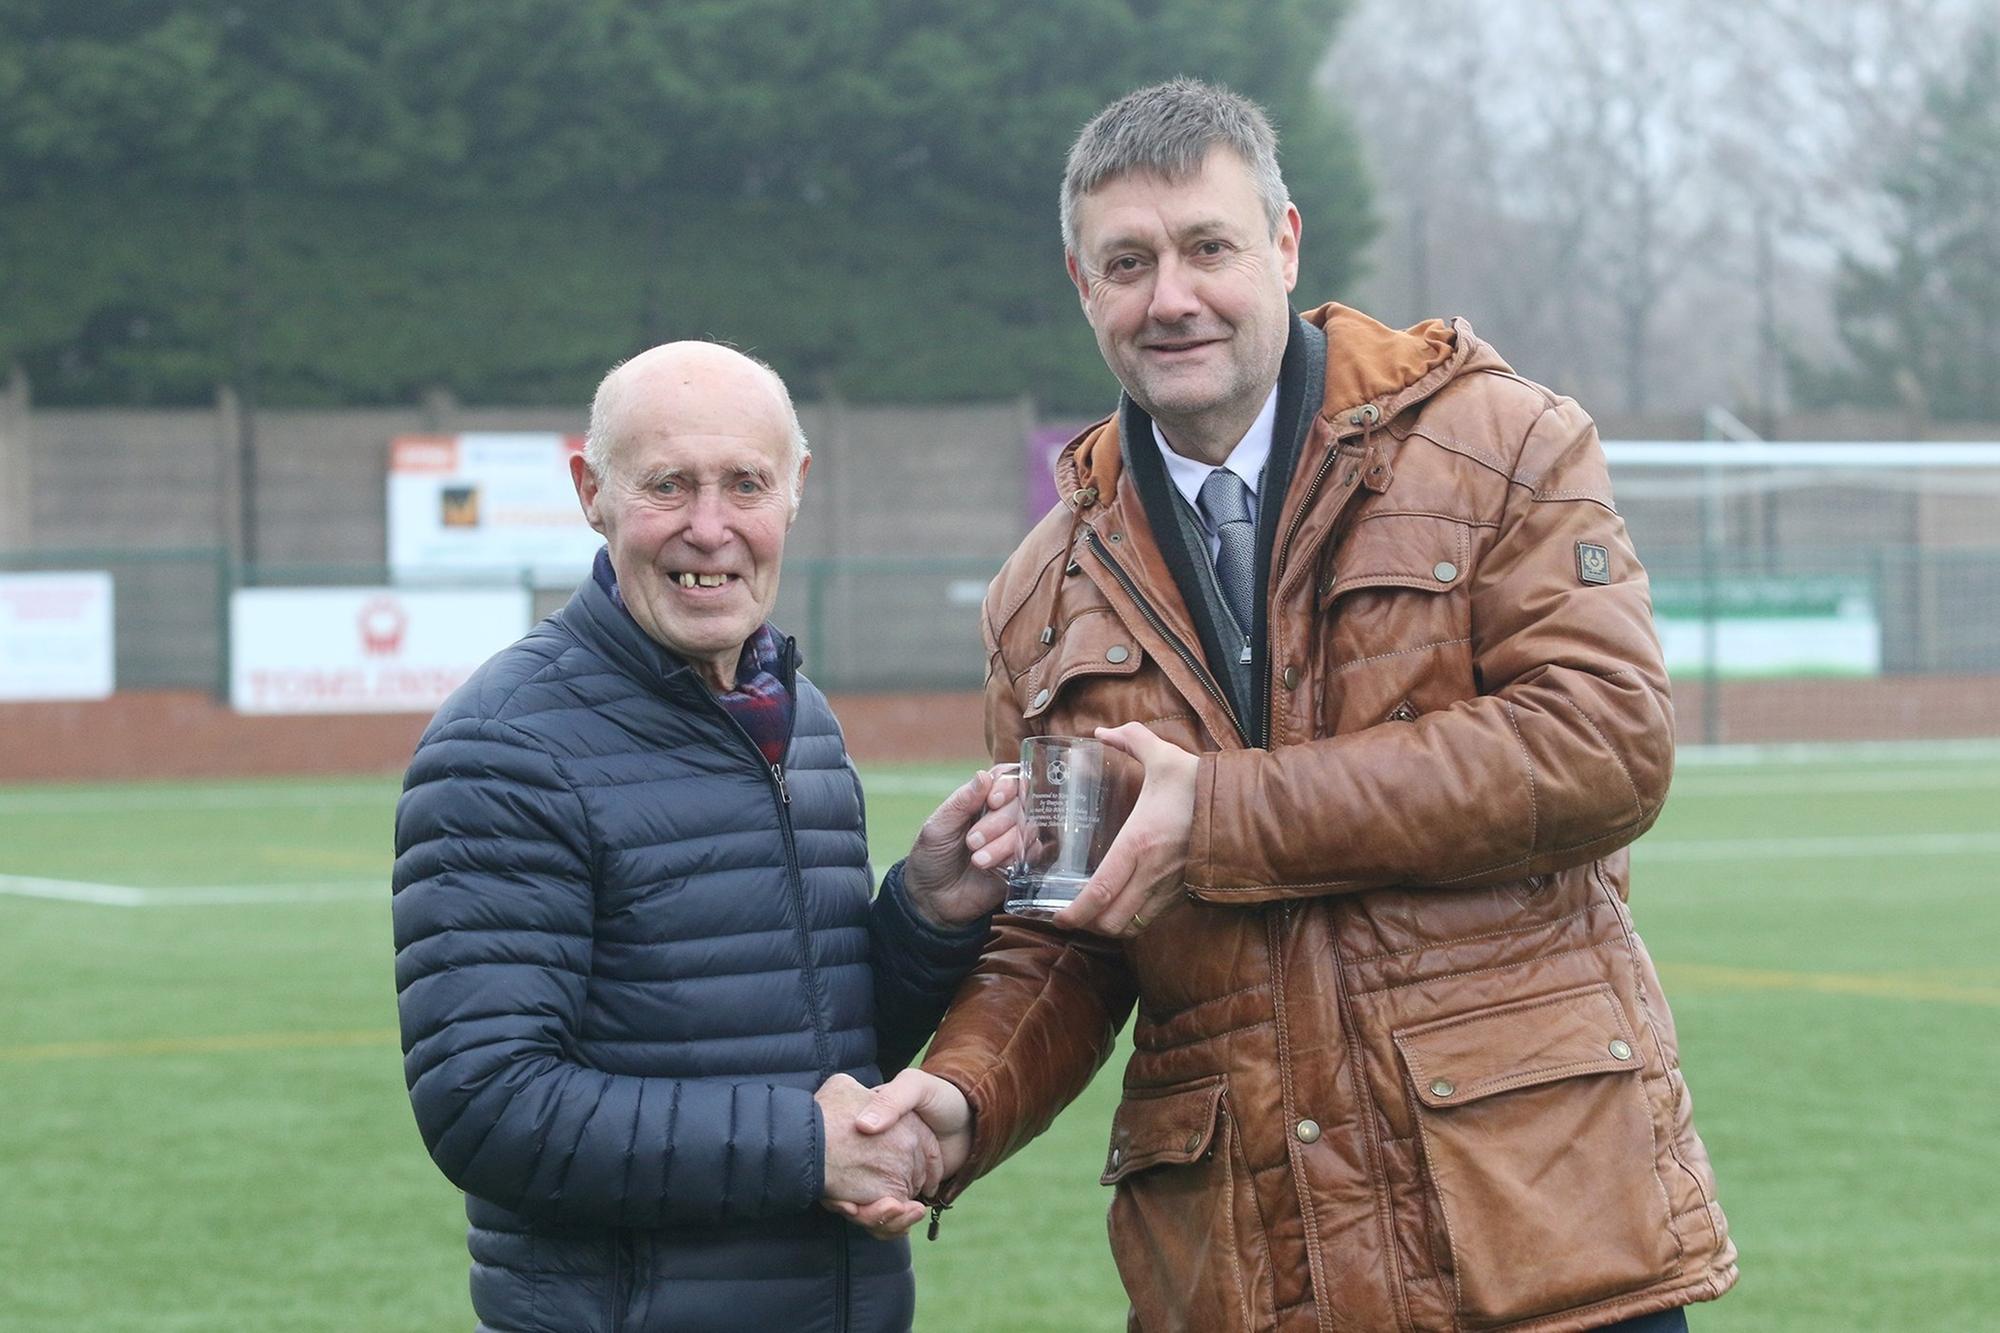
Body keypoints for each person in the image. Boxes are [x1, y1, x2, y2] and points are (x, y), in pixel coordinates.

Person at [847, 79, 1737, 1332]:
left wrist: (1219, 813)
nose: (1171, 297)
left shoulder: (1500, 445)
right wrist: (960, 1095)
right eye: (1128, 261)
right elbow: (1066, 927)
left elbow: (1604, 747)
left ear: (1282, 244)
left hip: (1536, 1237)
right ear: (1080, 284)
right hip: (1251, 1267)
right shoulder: (1037, 593)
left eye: (1207, 247)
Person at [391, 341, 1019, 1333]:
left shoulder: (800, 719)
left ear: (794, 491)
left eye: (744, 484)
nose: (709, 527)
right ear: (590, 492)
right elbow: (489, 1106)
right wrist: (807, 1150)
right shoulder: (503, 747)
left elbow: (800, 1036)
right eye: (668, 485)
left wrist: (926, 913)